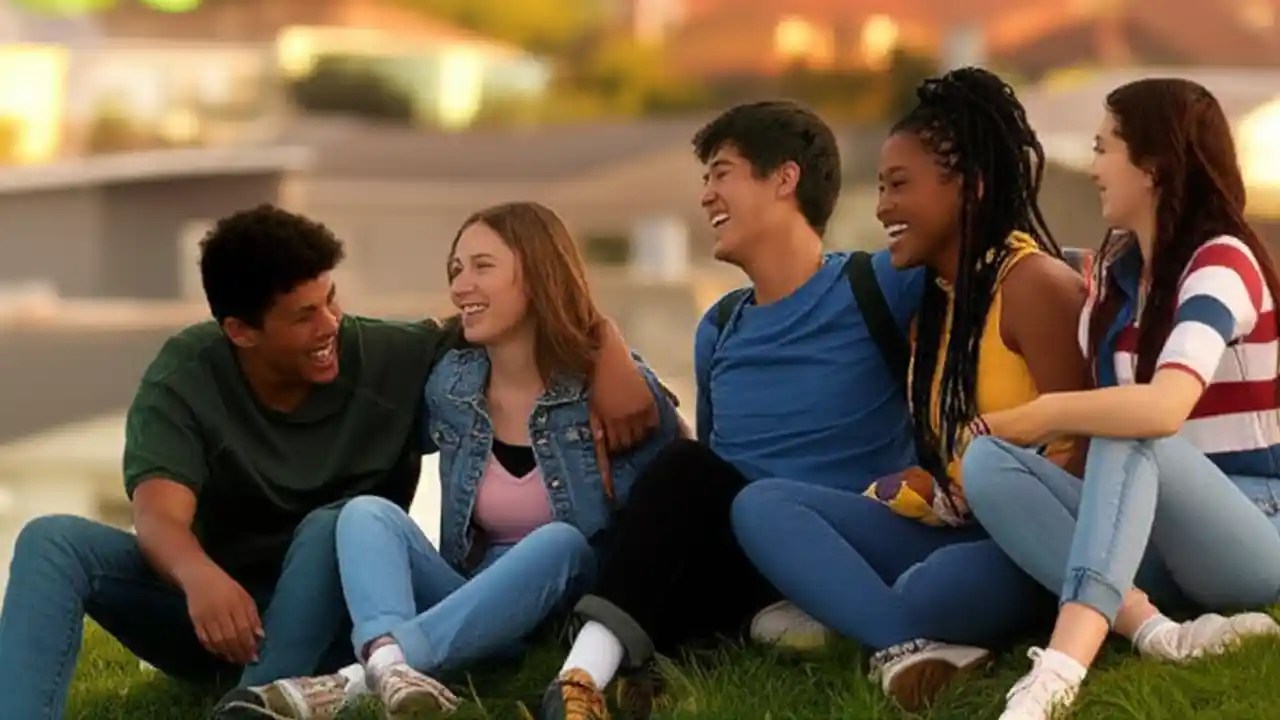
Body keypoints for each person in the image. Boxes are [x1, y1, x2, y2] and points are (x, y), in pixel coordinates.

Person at [0, 204, 661, 720]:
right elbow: (157, 511)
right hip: (214, 612)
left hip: (327, 620)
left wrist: (608, 348)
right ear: (241, 331)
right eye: (304, 316)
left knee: (337, 520)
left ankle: (267, 700)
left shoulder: (390, 355)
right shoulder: (189, 372)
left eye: (332, 300)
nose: (331, 325)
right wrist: (200, 577)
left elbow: (521, 317)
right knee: (52, 539)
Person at [537, 100, 928, 720]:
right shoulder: (719, 328)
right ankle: (578, 680)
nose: (706, 195)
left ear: (784, 178)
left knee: (691, 474)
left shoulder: (878, 285)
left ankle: (780, 628)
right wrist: (607, 343)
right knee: (683, 468)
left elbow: (995, 270)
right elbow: (712, 469)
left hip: (847, 546)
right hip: (743, 564)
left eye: (721, 173)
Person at [214, 201, 681, 720]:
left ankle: (348, 682)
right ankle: (391, 668)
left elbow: (675, 503)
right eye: (456, 270)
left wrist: (609, 347)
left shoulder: (613, 386)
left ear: (539, 271)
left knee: (560, 541)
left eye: (483, 266)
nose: (460, 286)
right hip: (469, 601)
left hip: (566, 609)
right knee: (364, 514)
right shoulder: (450, 386)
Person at [730, 67, 1090, 711]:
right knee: (763, 506)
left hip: (1030, 546)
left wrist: (990, 499)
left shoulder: (1033, 287)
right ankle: (909, 646)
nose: (882, 208)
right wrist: (934, 491)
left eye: (900, 186)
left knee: (934, 589)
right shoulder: (936, 302)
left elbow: (1086, 459)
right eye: (880, 187)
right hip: (954, 526)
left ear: (970, 189)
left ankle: (871, 622)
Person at [962, 78, 1280, 720]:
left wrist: (1042, 414)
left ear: (1154, 165)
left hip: (1252, 532)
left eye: (1105, 148)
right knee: (988, 460)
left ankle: (1058, 672)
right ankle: (1160, 634)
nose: (1095, 166)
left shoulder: (1223, 262)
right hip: (1149, 537)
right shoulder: (1120, 279)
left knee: (1128, 420)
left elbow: (1160, 411)